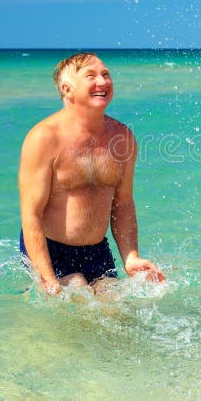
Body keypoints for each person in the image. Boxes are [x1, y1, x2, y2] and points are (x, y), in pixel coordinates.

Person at [19, 52, 164, 295]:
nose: (103, 81)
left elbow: (123, 204)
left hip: (97, 251)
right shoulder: (44, 138)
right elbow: (31, 213)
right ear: (67, 89)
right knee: (76, 290)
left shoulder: (123, 138)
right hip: (50, 249)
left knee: (115, 309)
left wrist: (131, 257)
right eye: (91, 76)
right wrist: (46, 275)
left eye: (106, 75)